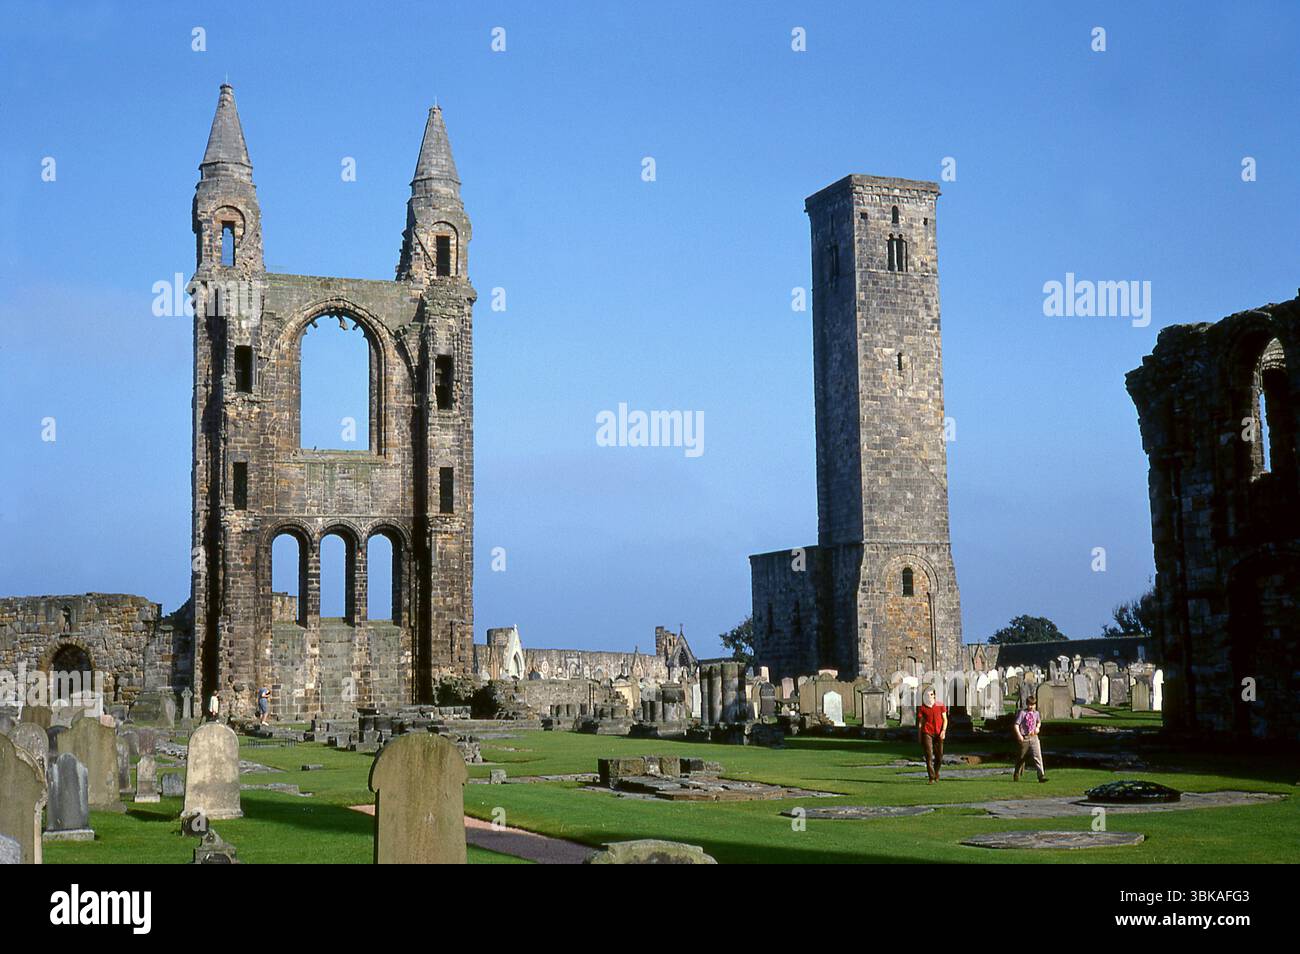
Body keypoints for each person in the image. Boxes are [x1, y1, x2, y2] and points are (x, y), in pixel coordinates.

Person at [1013, 694, 1049, 782]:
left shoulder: (1036, 713)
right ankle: (1017, 772)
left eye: (1032, 705)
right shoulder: (1023, 713)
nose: (1031, 707)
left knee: (1038, 756)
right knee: (1021, 757)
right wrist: (1019, 735)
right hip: (1024, 738)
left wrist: (1037, 728)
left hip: (1034, 737)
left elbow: (1039, 722)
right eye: (1029, 704)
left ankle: (1041, 776)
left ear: (1035, 705)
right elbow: (1016, 725)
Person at [917, 685, 948, 783]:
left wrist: (943, 731)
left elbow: (945, 719)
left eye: (931, 694)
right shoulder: (922, 708)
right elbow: (920, 723)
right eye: (927, 695)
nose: (929, 697)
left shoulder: (940, 705)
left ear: (934, 695)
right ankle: (931, 777)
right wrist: (919, 736)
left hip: (939, 733)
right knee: (929, 755)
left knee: (939, 756)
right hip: (927, 732)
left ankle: (936, 772)